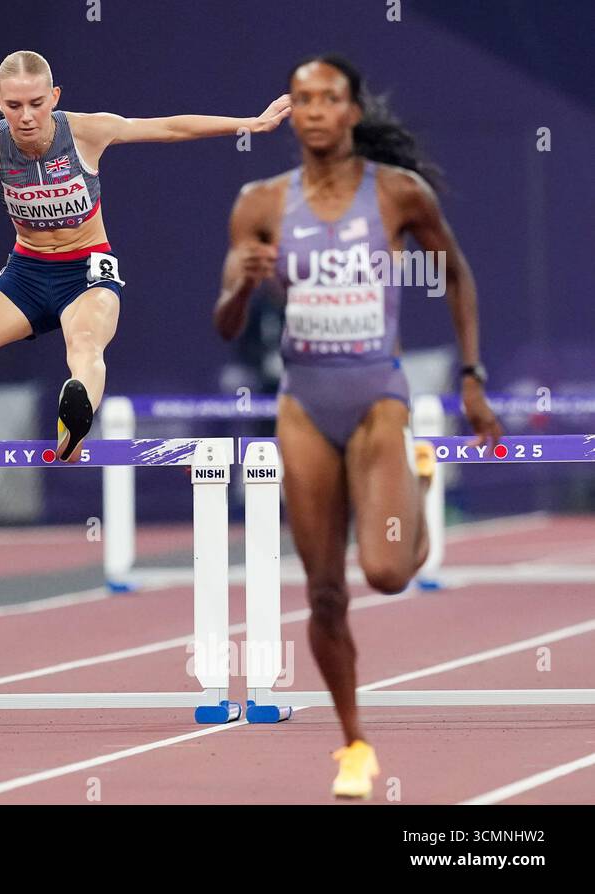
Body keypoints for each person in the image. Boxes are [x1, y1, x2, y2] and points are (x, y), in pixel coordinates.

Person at [212, 55, 502, 798]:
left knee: (386, 572)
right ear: (293, 110)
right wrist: (242, 286)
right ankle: (353, 743)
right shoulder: (260, 203)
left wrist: (471, 377)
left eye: (328, 99)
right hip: (304, 406)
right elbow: (225, 324)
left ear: (351, 111)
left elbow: (458, 273)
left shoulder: (399, 194)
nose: (312, 111)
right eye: (301, 99)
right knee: (325, 594)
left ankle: (418, 494)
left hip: (378, 399)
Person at [0, 50, 291, 461]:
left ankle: (74, 426)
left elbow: (170, 126)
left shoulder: (86, 132)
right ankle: (13, 346)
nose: (27, 117)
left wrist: (248, 123)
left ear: (54, 96)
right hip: (26, 275)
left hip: (88, 271)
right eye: (14, 106)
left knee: (85, 345)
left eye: (37, 103)